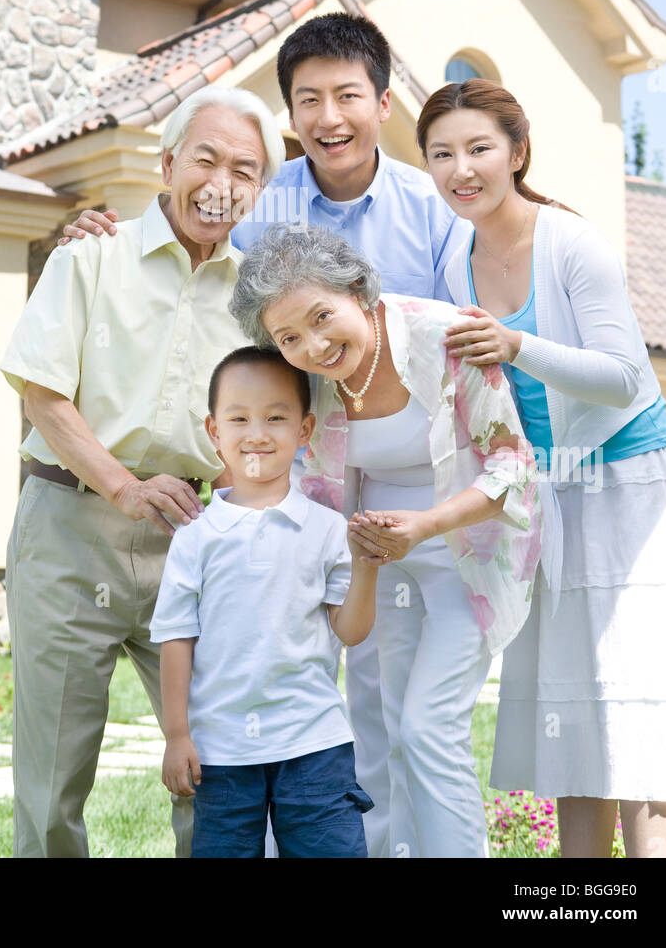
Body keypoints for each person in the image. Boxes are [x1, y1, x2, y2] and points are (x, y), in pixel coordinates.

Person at [58, 10, 470, 856]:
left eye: (347, 96)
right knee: (336, 682)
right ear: (290, 116)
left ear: (383, 103)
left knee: (417, 708)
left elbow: (475, 316)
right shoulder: (270, 197)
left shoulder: (432, 206)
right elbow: (197, 220)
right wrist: (102, 229)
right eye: (308, 99)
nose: (329, 117)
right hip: (313, 470)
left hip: (416, 474)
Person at [0, 87, 286, 857]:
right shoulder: (90, 255)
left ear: (259, 191)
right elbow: (43, 396)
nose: (223, 182)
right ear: (167, 164)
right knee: (55, 781)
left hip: (193, 544)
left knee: (217, 762)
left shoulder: (261, 300)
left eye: (246, 170)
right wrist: (123, 487)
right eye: (208, 158)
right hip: (70, 532)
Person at [417, 77, 666, 859]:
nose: (461, 169)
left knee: (635, 702)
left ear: (517, 152)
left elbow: (625, 376)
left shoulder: (573, 242)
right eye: (441, 154)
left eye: (478, 149)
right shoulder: (456, 263)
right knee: (570, 703)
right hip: (551, 494)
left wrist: (516, 343)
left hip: (635, 490)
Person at [228, 223, 541, 858]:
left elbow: (511, 461)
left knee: (430, 726)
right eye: (289, 337)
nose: (313, 346)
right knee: (389, 725)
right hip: (380, 554)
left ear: (359, 292)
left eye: (322, 318)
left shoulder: (442, 334)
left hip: (470, 546)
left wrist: (425, 525)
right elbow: (310, 486)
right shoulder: (305, 380)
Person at [152, 345, 383, 858]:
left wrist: (365, 566)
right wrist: (176, 735)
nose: (257, 433)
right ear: (215, 433)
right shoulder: (195, 536)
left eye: (276, 418)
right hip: (222, 752)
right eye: (239, 419)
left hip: (314, 743)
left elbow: (351, 631)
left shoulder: (325, 527)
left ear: (304, 430)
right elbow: (175, 637)